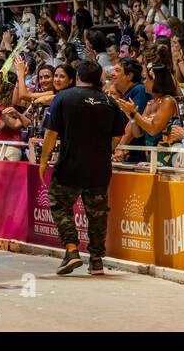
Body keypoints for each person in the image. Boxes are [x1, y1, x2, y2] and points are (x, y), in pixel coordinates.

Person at [38, 60, 127, 276]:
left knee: (59, 204)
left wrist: (44, 160)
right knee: (97, 213)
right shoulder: (109, 101)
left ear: (78, 76)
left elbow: (51, 133)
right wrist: (106, 149)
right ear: (99, 78)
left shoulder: (63, 98)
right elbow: (118, 134)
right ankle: (96, 260)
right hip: (98, 167)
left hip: (70, 165)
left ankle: (71, 250)